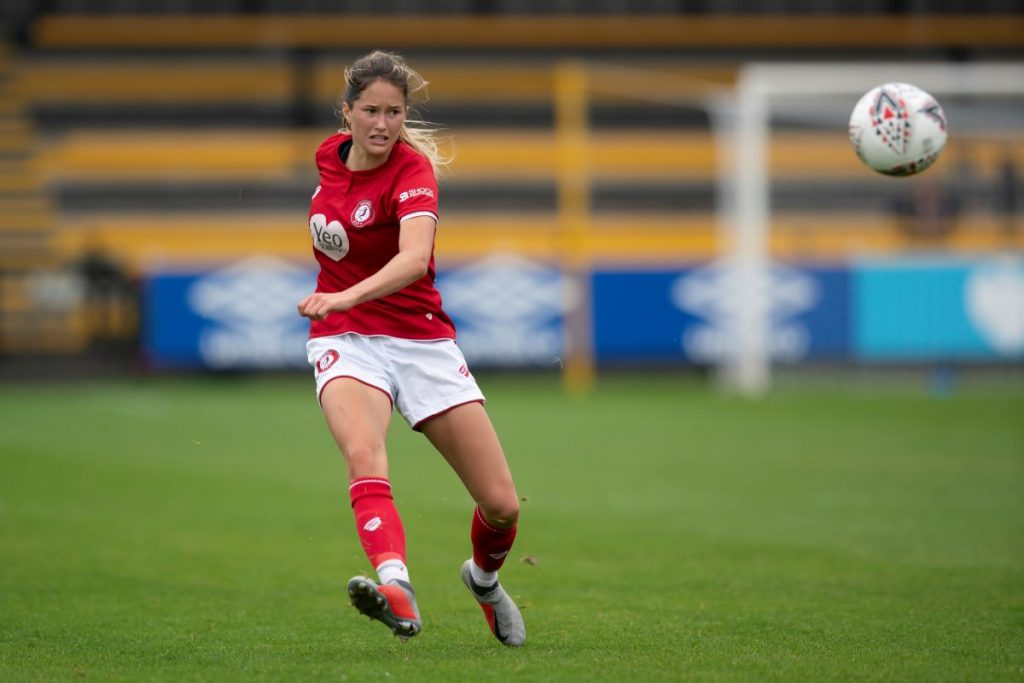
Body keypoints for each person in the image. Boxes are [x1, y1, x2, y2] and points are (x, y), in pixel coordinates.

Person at [297, 50, 526, 647]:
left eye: (393, 112)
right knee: (364, 453)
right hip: (345, 341)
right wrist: (343, 310)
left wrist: (345, 295)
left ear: (405, 116)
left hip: (420, 340)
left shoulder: (413, 172)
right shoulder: (328, 158)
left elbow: (414, 260)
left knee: (502, 505)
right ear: (345, 112)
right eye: (369, 110)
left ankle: (483, 581)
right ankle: (396, 587)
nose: (381, 123)